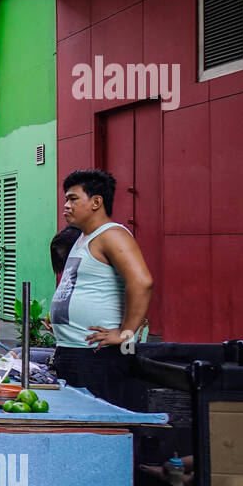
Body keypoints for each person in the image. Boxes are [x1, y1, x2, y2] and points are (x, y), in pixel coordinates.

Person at [51, 169, 154, 408]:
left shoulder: (113, 235)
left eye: (73, 199)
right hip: (74, 352)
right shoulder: (83, 238)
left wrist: (126, 333)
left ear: (97, 202)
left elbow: (142, 282)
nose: (66, 205)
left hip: (97, 356)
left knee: (98, 427)